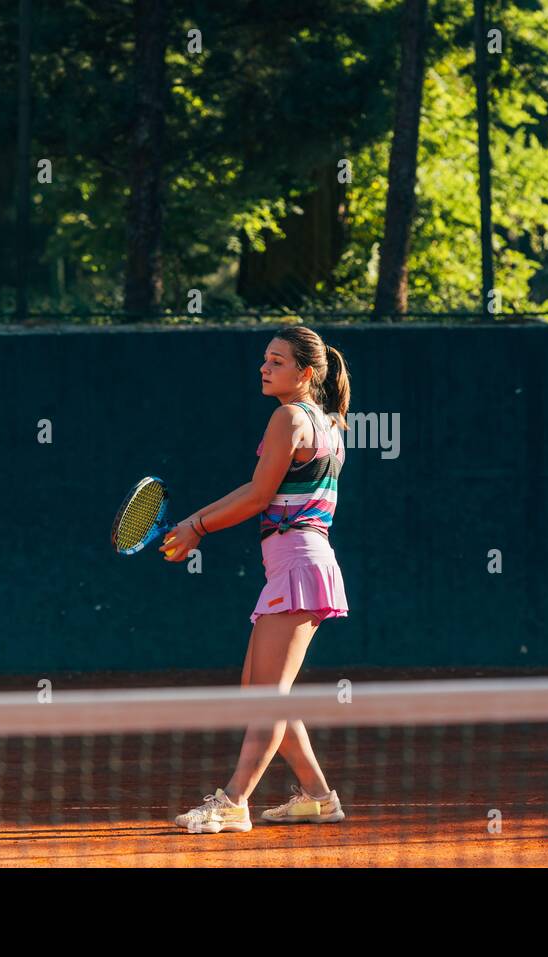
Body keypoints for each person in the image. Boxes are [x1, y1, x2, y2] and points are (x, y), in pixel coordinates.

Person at [161, 325, 351, 833]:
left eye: (276, 361)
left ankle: (233, 800)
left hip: (298, 564)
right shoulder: (328, 423)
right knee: (263, 692)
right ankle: (317, 797)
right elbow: (255, 487)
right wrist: (191, 524)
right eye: (265, 360)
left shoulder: (289, 416)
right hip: (301, 563)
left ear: (305, 372)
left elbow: (258, 498)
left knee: (266, 696)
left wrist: (196, 527)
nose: (264, 369)